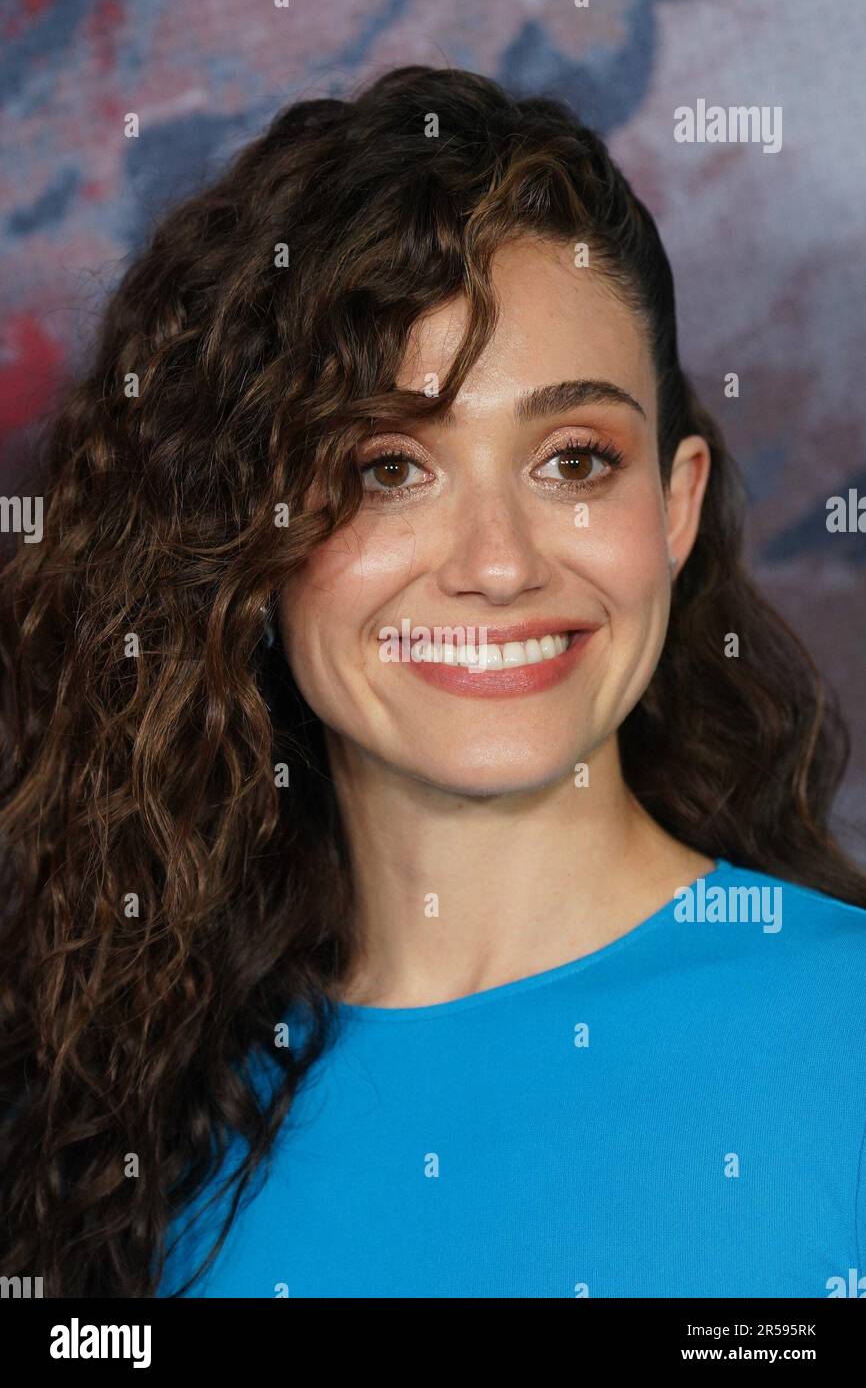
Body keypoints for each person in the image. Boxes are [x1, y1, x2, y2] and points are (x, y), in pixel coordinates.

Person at [1, 65, 864, 1300]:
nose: (500, 564)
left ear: (671, 511)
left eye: (573, 459)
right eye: (388, 467)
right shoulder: (100, 1118)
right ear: (248, 528)